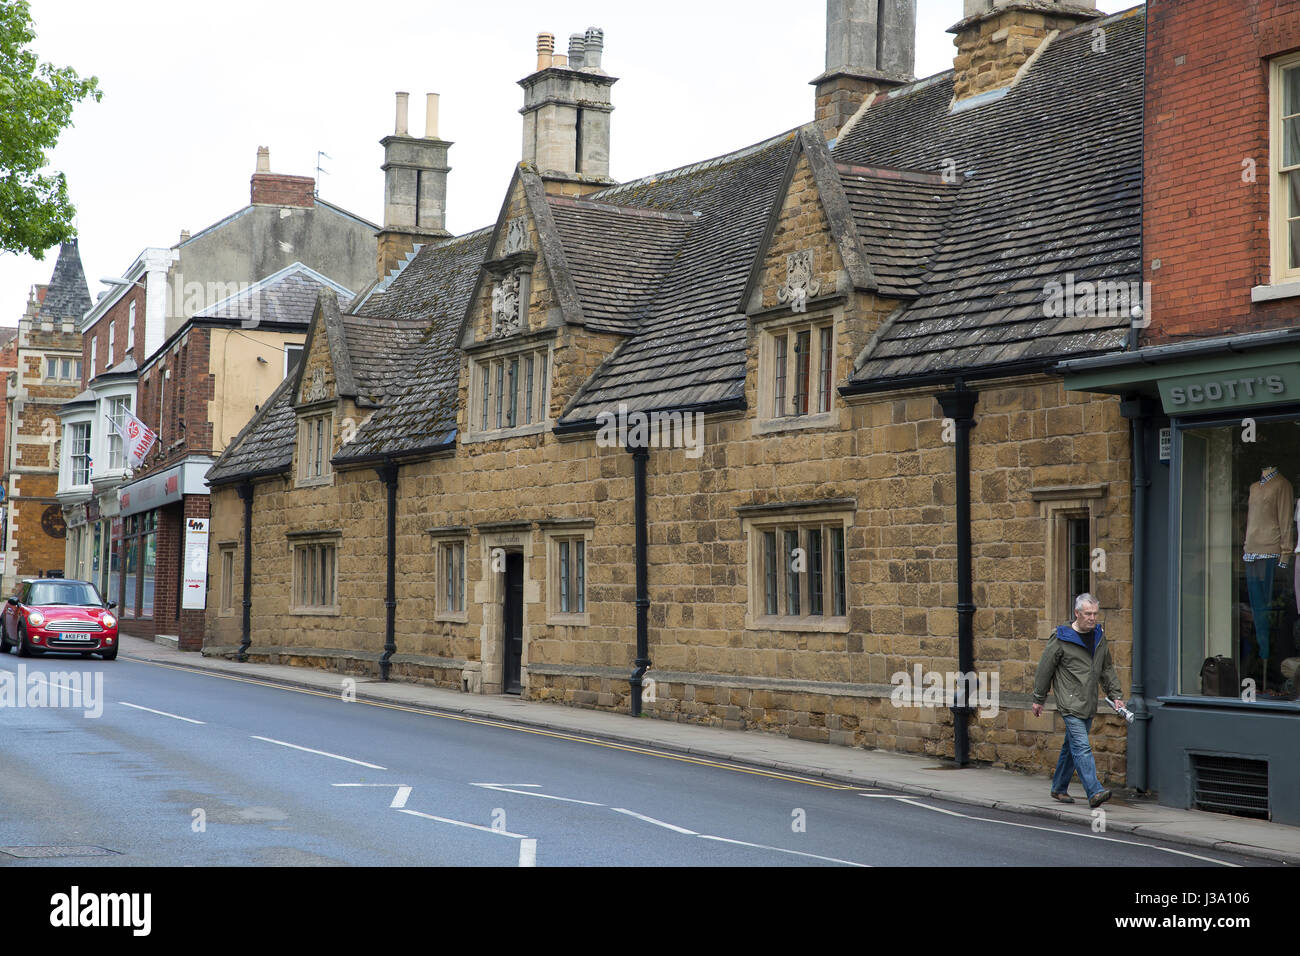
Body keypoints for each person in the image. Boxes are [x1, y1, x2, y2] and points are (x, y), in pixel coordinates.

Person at [1031, 593, 1125, 809]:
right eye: (1087, 614)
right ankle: (1094, 791)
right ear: (1077, 613)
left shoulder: (1099, 637)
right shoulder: (1061, 637)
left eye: (1094, 614)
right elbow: (1045, 668)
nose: (1092, 618)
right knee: (1082, 746)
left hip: (1088, 702)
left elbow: (1107, 669)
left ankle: (1058, 788)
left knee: (1070, 747)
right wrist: (1039, 698)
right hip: (1070, 702)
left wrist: (1116, 696)